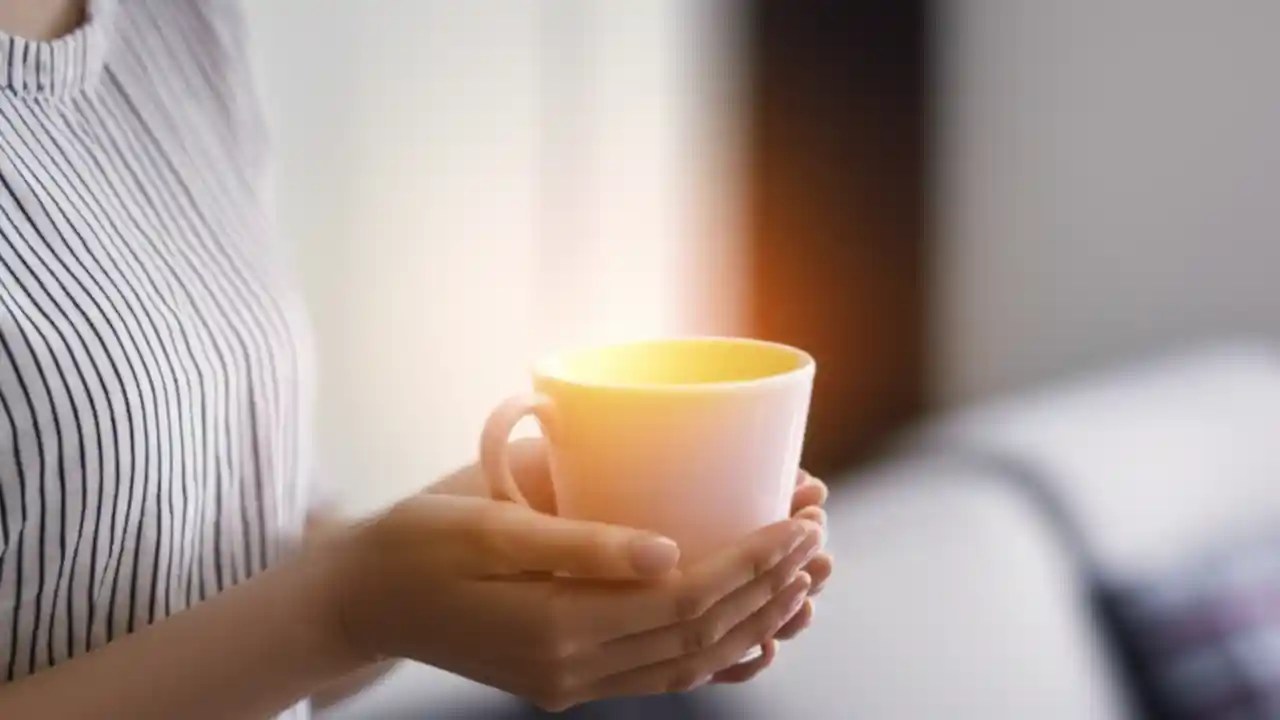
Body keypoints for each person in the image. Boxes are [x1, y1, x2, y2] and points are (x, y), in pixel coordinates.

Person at [0, 0, 834, 717]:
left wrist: (466, 563)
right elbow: (314, 614)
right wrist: (342, 610)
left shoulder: (178, 26)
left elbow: (243, 572)